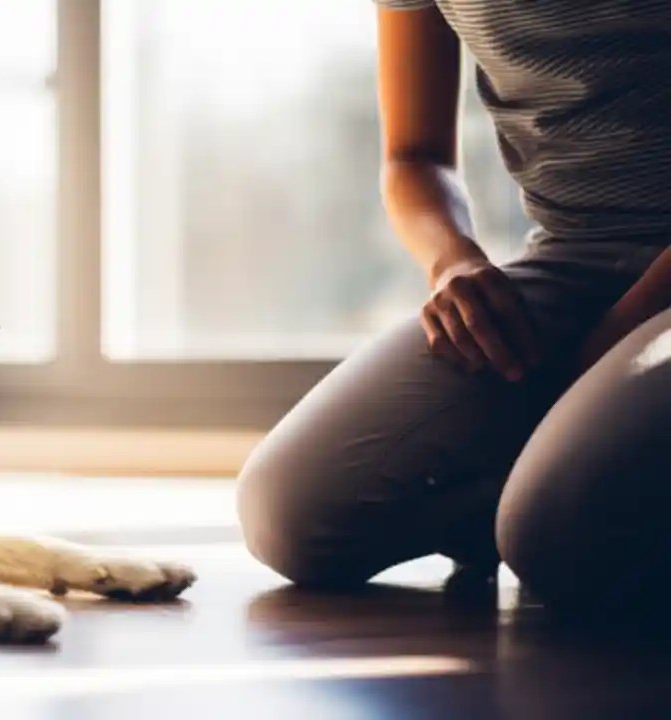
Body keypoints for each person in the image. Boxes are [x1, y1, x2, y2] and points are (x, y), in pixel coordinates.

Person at [237, 0, 671, 616]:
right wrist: (453, 262)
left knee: (551, 539)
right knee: (290, 515)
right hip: (571, 258)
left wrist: (612, 341)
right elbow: (414, 156)